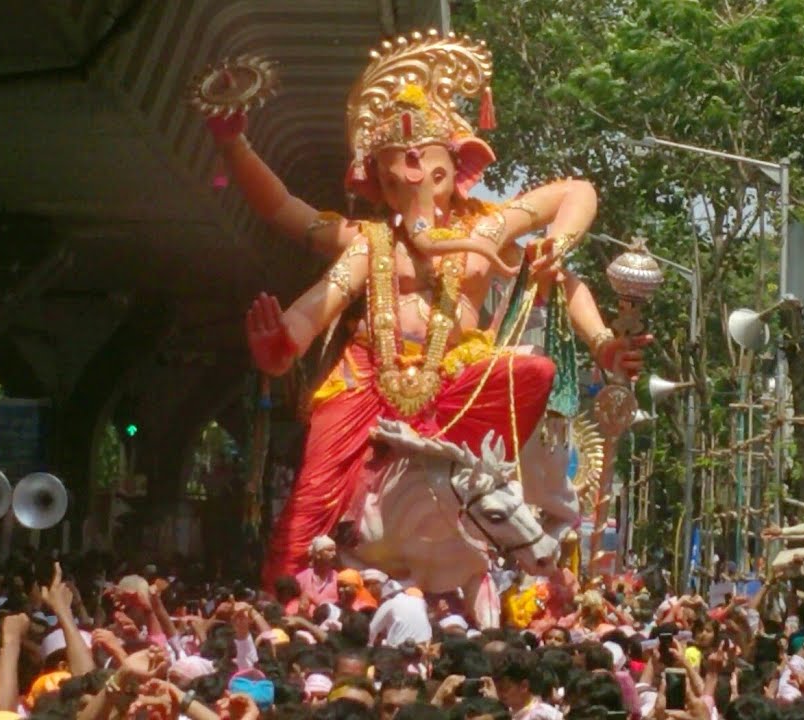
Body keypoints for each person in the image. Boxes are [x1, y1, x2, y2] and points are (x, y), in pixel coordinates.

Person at [211, 30, 649, 586]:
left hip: (452, 378)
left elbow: (576, 193)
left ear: (456, 171)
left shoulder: (486, 229)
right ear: (379, 183)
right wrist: (233, 146)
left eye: (432, 175)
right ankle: (289, 594)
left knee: (533, 371)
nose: (417, 189)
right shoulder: (368, 243)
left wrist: (555, 258)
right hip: (368, 377)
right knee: (310, 497)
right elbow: (283, 212)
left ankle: (507, 521)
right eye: (398, 181)